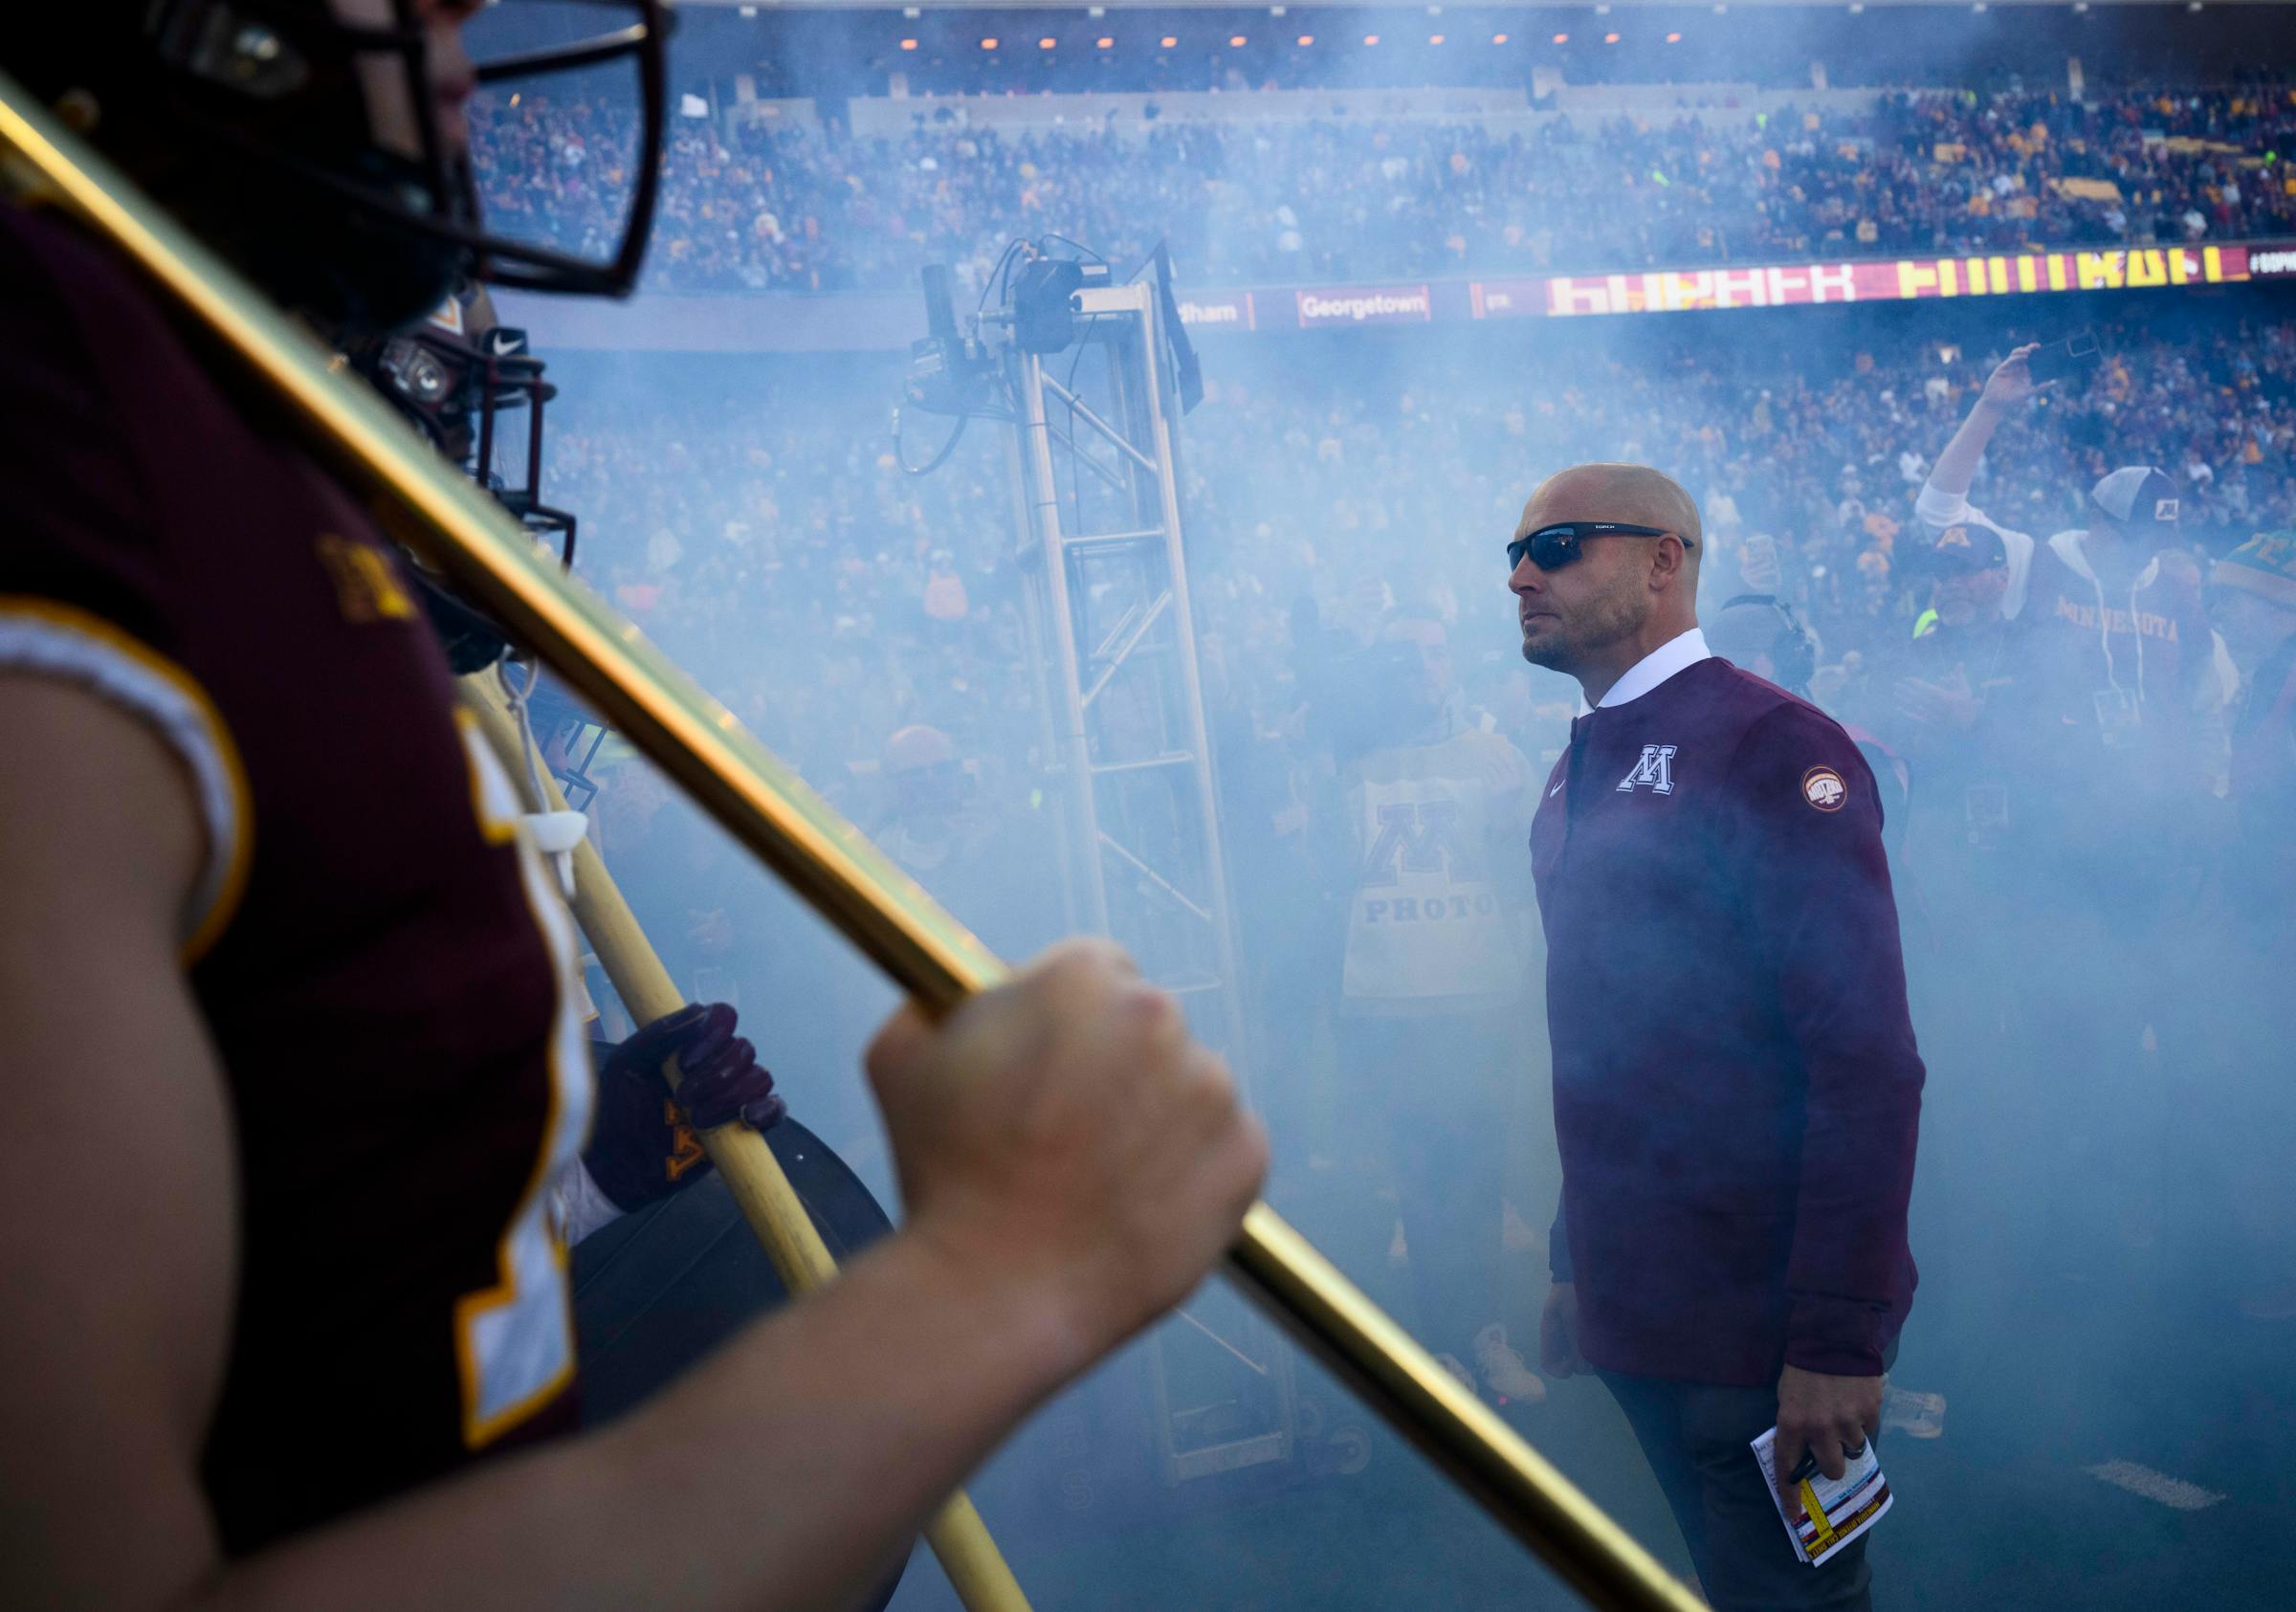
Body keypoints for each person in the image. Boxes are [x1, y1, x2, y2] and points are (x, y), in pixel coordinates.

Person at [0, 8, 1266, 1609]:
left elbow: (303, 1233)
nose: (464, 24)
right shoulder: (65, 449)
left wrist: (578, 1156)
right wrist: (997, 1276)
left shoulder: (195, 473)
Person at [1510, 463, 1925, 1612]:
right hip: (1637, 1304)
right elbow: (1608, 1045)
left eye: (1558, 546)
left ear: (1663, 560)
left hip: (1761, 1324)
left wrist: (1841, 1336)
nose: (1519, 575)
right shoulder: (1569, 767)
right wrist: (1570, 1253)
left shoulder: (1774, 745)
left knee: (1802, 1600)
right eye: (1516, 553)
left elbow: (1866, 1063)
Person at [1326, 614, 1544, 1405]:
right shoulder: (1349, 766)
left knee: (1479, 1174)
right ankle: (1442, 1347)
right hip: (1388, 1006)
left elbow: (1527, 874)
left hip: (1477, 998)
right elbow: (1328, 885)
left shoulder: (1493, 755)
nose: (1423, 667)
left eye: (1434, 651)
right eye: (1405, 654)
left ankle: (1483, 1335)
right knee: (1421, 1182)